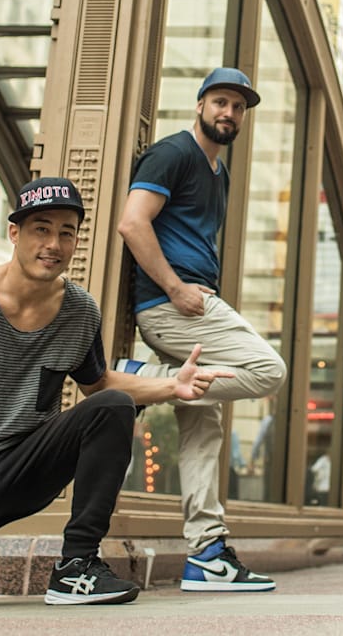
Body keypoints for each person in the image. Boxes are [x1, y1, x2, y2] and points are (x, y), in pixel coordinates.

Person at [0, 177, 231, 609]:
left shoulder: (80, 310)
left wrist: (171, 386)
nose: (54, 243)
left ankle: (77, 567)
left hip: (26, 462)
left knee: (114, 407)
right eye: (42, 229)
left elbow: (99, 385)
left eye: (66, 232)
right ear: (15, 233)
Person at [115, 67, 288, 592]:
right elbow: (131, 222)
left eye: (237, 107)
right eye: (220, 102)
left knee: (203, 431)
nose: (228, 113)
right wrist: (173, 288)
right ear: (199, 105)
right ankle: (142, 375)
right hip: (176, 306)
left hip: (188, 307)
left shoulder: (218, 172)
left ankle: (205, 553)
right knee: (268, 369)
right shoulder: (174, 153)